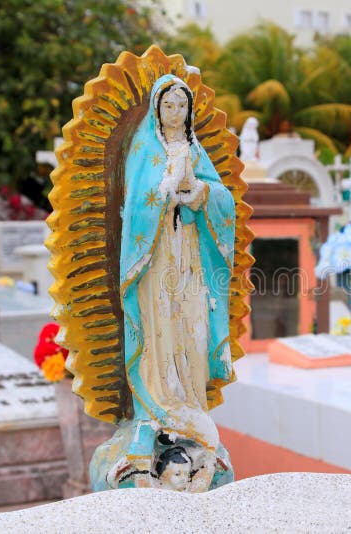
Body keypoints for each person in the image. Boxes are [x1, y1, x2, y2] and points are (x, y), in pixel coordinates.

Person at [102, 74, 236, 490]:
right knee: (159, 330)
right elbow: (135, 204)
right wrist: (165, 191)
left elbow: (222, 199)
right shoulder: (145, 149)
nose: (176, 113)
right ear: (157, 110)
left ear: (190, 111)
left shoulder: (194, 149)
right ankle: (153, 410)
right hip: (155, 260)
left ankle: (190, 404)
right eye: (168, 106)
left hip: (189, 257)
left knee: (190, 330)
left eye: (182, 106)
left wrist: (198, 192)